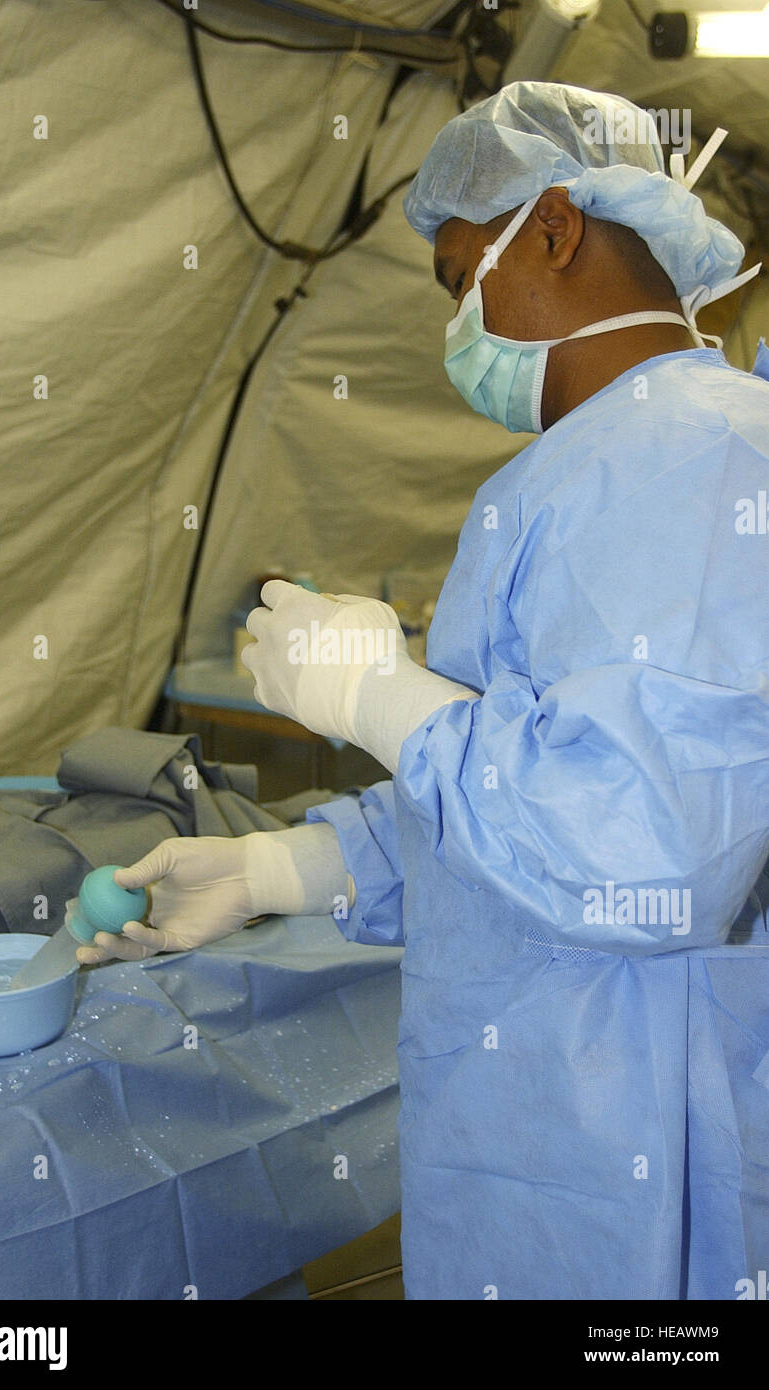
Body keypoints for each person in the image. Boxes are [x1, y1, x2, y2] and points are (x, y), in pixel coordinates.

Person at [80, 83, 769, 1300]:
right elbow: (514, 777)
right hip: (542, 1137)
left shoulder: (706, 454)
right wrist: (280, 871)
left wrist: (383, 698)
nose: (457, 320)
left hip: (642, 1151)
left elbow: (645, 846)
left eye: (461, 276)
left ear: (554, 225)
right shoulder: (577, 470)